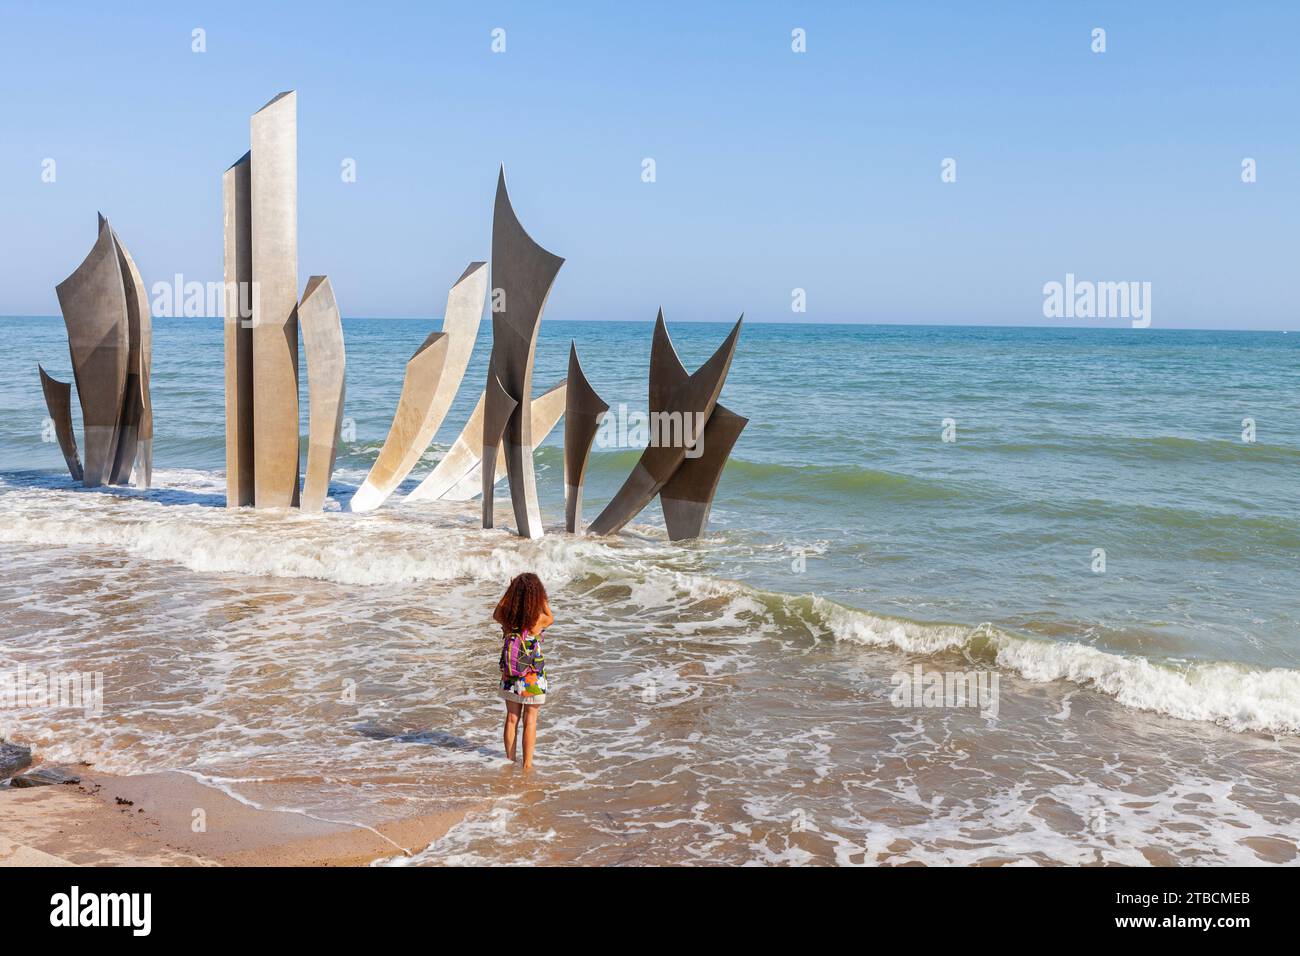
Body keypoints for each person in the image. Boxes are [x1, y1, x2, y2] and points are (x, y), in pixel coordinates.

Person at [493, 572, 554, 770]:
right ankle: (527, 766)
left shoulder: (508, 618)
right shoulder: (538, 620)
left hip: (511, 675)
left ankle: (509, 761)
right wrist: (541, 596)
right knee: (530, 721)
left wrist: (510, 591)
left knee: (511, 719)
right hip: (532, 677)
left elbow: (496, 612)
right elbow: (551, 617)